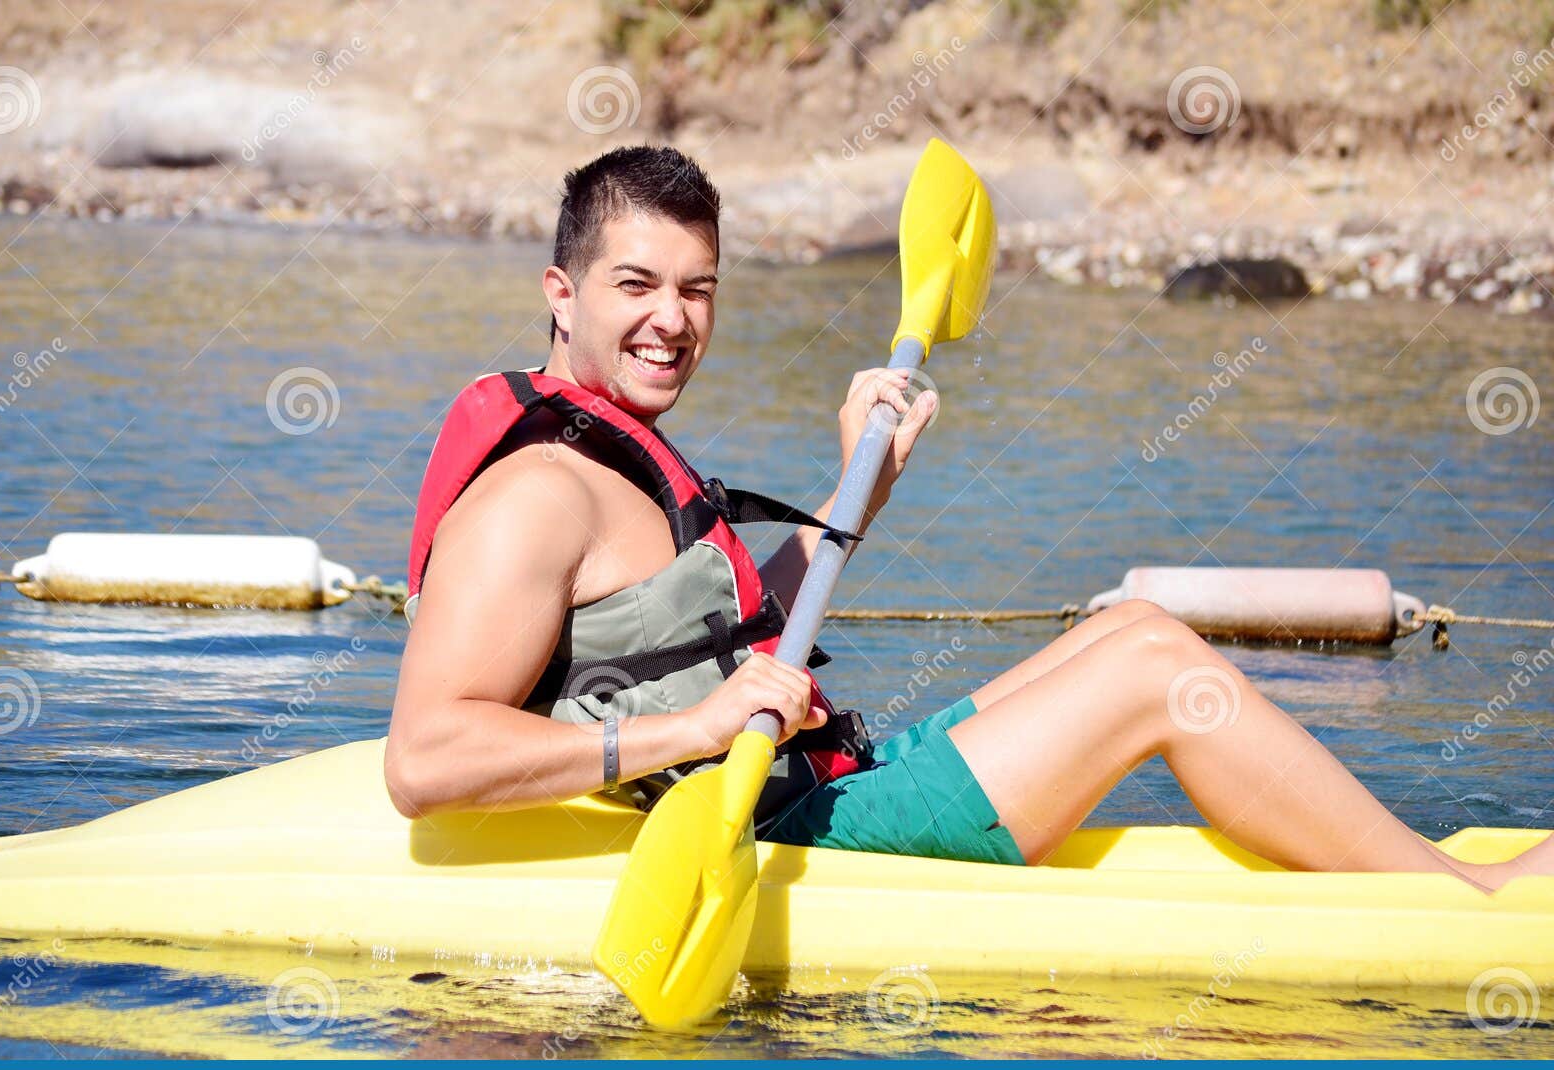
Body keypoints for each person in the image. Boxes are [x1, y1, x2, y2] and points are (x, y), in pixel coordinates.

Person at [383, 144, 1552, 893]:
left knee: (1122, 627)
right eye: (635, 286)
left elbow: (707, 642)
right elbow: (425, 756)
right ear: (561, 293)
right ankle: (1457, 900)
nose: (673, 320)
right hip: (782, 830)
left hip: (819, 779)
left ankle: (1412, 855)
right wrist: (689, 737)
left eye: (697, 290)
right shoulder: (533, 492)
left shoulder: (614, 445)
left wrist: (859, 492)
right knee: (1151, 665)